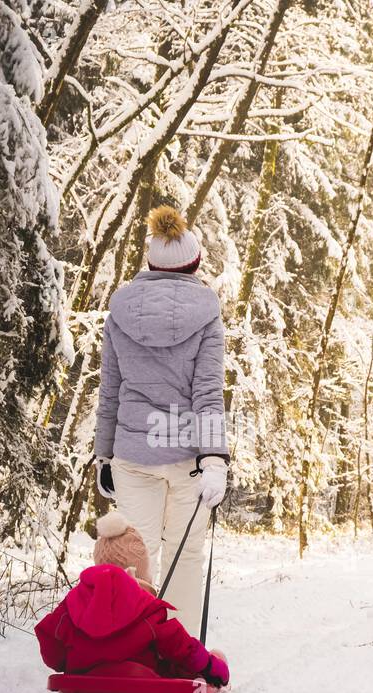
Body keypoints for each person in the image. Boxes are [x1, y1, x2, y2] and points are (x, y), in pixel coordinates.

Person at [93, 205, 229, 636]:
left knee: (133, 555)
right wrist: (214, 459)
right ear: (195, 264)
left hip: (132, 456)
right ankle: (179, 649)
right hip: (188, 459)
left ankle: (125, 649)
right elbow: (207, 392)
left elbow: (110, 392)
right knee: (185, 554)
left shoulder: (120, 314)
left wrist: (103, 456)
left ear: (150, 264)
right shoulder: (207, 315)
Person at [35, 513, 229, 686]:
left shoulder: (71, 605)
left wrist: (70, 659)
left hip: (84, 684)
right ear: (140, 572)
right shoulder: (147, 609)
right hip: (140, 684)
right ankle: (208, 678)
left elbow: (52, 652)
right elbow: (181, 646)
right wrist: (210, 666)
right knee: (174, 664)